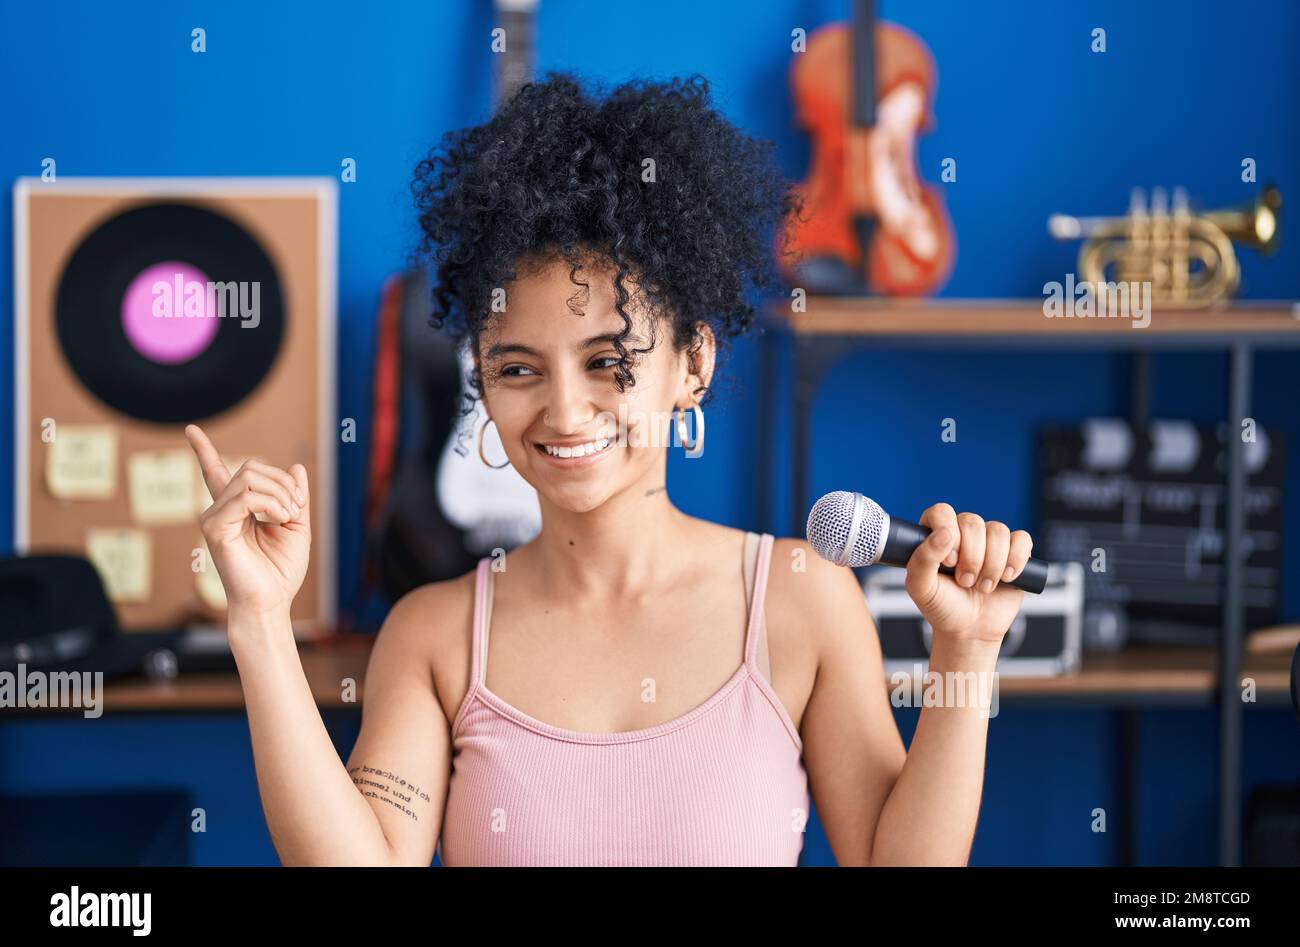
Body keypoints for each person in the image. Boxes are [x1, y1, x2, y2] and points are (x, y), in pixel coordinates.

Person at [184, 73, 1033, 867]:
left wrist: (966, 650)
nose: (563, 411)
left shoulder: (803, 598)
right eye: (517, 369)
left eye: (607, 361)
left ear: (692, 362)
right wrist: (259, 622)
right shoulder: (432, 635)